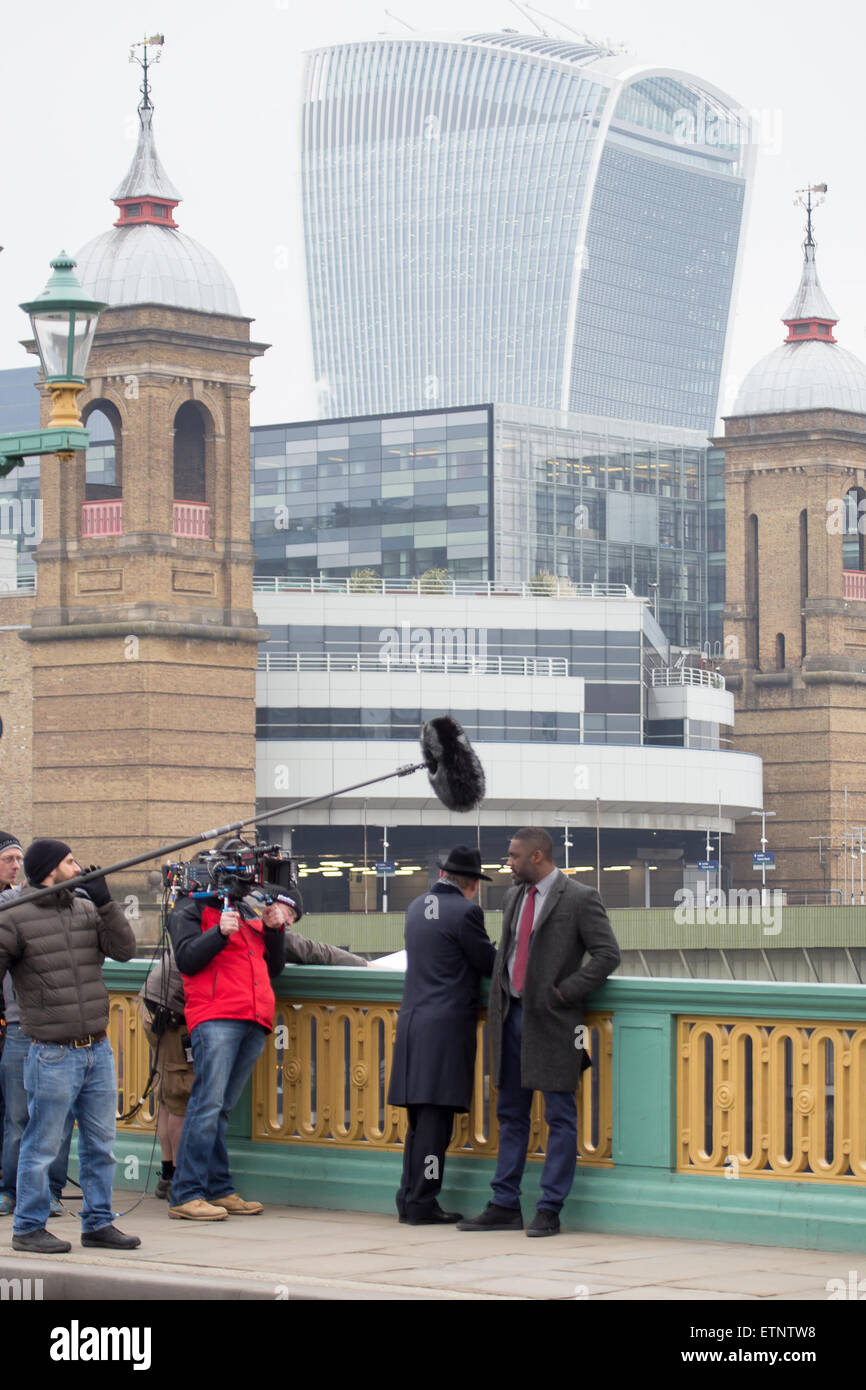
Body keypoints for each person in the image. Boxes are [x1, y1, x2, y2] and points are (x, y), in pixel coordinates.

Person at [458, 827, 620, 1237]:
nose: (506, 863)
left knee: (560, 1116)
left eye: (513, 856)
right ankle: (504, 1203)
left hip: (553, 1021)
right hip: (510, 1016)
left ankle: (549, 1207)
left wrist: (565, 992)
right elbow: (508, 953)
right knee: (510, 1113)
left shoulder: (581, 898)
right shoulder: (514, 896)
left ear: (537, 857)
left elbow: (607, 955)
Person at [0, 838, 140, 1254]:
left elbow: (125, 950)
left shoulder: (85, 908)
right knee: (42, 1143)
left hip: (97, 1047)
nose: (79, 868)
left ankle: (98, 1222)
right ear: (48, 871)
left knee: (102, 1145)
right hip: (50, 1050)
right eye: (70, 861)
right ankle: (28, 1226)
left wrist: (106, 902)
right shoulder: (13, 916)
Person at [166, 871, 303, 1220]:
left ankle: (218, 1188)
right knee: (207, 1104)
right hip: (216, 1014)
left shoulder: (245, 910)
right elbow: (186, 959)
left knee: (219, 1107)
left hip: (252, 1017)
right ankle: (187, 1192)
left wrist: (274, 930)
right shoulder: (189, 908)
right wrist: (218, 934)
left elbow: (273, 966)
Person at [388, 846, 497, 1225]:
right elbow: (488, 963)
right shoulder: (467, 912)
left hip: (413, 1024)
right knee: (436, 1128)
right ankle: (424, 1201)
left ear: (442, 876)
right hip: (446, 1030)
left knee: (419, 1124)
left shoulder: (416, 907)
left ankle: (409, 1197)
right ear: (471, 884)